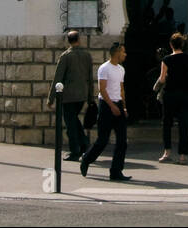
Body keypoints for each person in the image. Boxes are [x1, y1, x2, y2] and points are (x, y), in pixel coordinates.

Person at [80, 42, 131, 182]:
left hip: (118, 104)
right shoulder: (104, 68)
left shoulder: (121, 69)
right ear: (116, 52)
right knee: (102, 140)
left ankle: (116, 171)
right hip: (106, 106)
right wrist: (112, 106)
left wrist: (123, 107)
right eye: (123, 52)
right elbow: (102, 89)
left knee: (122, 141)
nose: (125, 54)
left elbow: (121, 89)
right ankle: (86, 159)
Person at [48, 30, 95, 161]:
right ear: (79, 40)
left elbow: (58, 77)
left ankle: (76, 150)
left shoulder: (66, 56)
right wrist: (91, 96)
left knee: (71, 124)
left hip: (68, 96)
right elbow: (90, 78)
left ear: (68, 41)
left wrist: (51, 98)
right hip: (82, 95)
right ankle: (85, 145)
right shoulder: (87, 55)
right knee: (74, 121)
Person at [158, 32, 188, 164]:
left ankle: (167, 152)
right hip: (186, 94)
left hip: (170, 93)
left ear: (171, 45)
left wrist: (157, 85)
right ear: (182, 44)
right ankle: (183, 155)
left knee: (167, 123)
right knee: (185, 124)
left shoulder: (166, 60)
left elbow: (162, 78)